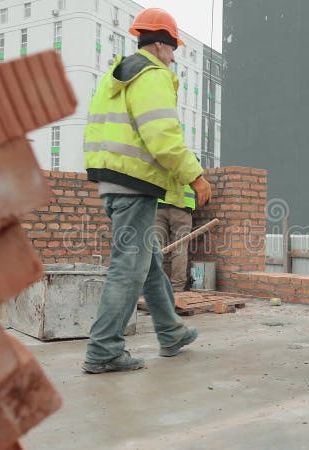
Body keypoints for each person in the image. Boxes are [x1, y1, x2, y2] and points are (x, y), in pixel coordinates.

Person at [82, 8, 212, 373]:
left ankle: (170, 332)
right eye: (173, 50)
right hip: (134, 184)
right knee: (129, 267)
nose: (175, 57)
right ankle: (104, 351)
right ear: (159, 45)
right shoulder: (152, 75)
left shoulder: (119, 75)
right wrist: (195, 176)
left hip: (115, 181)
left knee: (149, 262)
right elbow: (163, 137)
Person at [155, 183, 196, 291]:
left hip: (158, 203)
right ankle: (177, 288)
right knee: (180, 248)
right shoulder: (189, 165)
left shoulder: (157, 164)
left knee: (155, 247)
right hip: (182, 205)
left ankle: (155, 286)